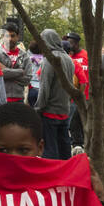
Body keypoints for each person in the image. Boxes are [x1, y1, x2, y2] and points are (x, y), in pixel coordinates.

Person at [32, 28, 77, 160]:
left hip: (49, 112)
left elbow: (45, 88)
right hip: (64, 110)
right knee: (64, 149)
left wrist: (38, 109)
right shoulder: (68, 59)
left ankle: (52, 179)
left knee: (50, 149)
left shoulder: (50, 60)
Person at [0, 19, 33, 104]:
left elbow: (27, 79)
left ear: (18, 36)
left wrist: (6, 72)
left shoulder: (24, 55)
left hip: (19, 99)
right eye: (7, 36)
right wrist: (20, 72)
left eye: (13, 36)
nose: (10, 39)